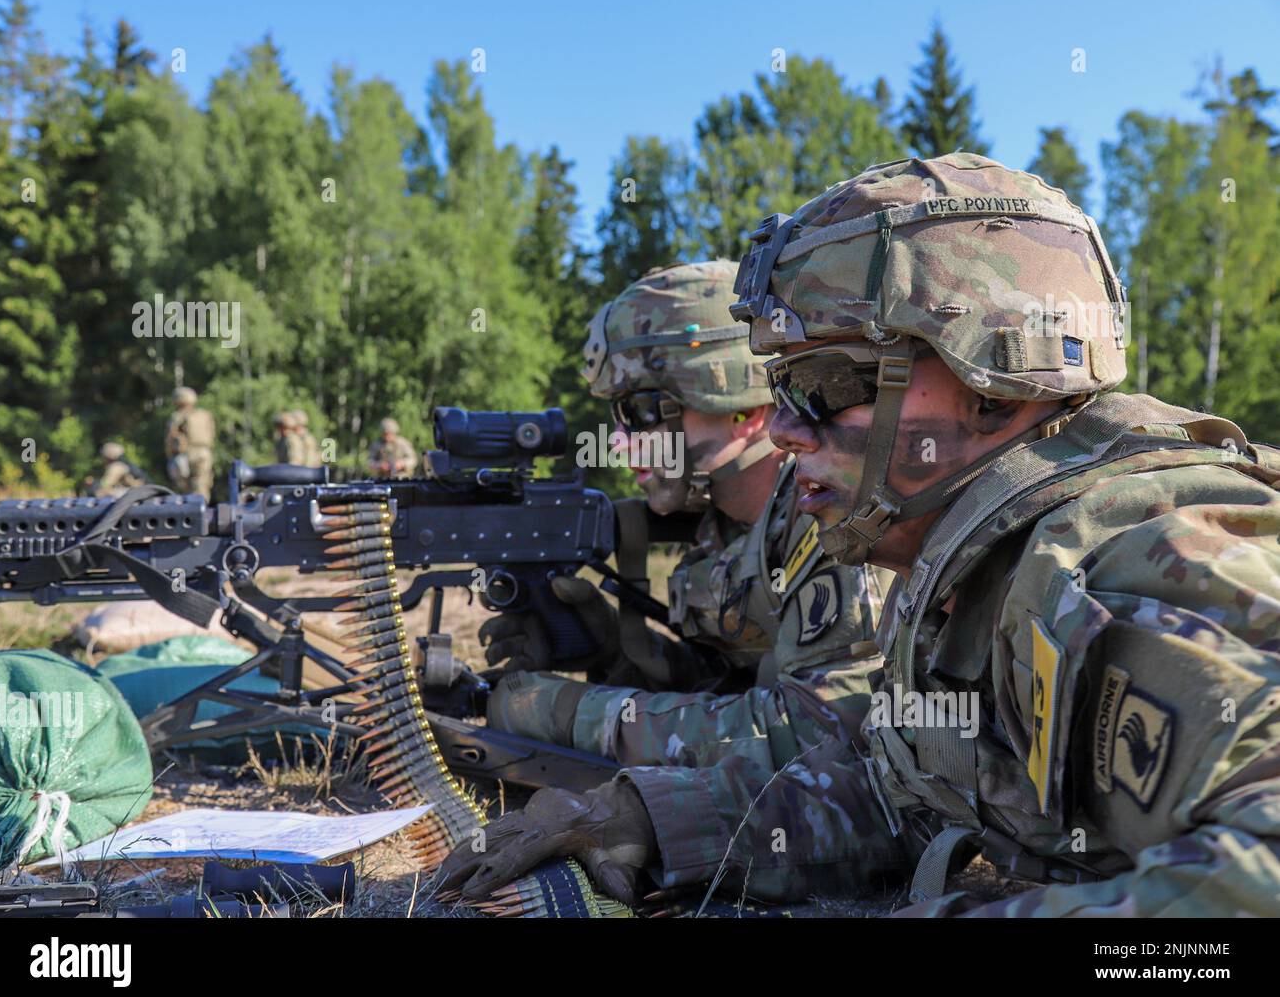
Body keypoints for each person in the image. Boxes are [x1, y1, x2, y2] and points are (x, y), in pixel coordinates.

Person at [436, 153, 1280, 916]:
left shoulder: (1138, 562)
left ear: (996, 386)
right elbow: (896, 797)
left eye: (825, 383)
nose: (784, 432)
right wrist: (645, 820)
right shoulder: (968, 570)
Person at [482, 259, 893, 777]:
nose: (619, 441)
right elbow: (738, 686)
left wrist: (569, 714)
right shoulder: (721, 519)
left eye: (641, 410)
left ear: (743, 407)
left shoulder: (833, 510)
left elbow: (823, 736)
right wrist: (618, 652)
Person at [165, 386, 216, 498]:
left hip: (186, 453)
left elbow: (171, 436)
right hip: (205, 452)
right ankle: (203, 508)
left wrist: (169, 454)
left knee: (185, 487)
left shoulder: (178, 416)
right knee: (202, 484)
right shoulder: (204, 414)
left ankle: (189, 510)